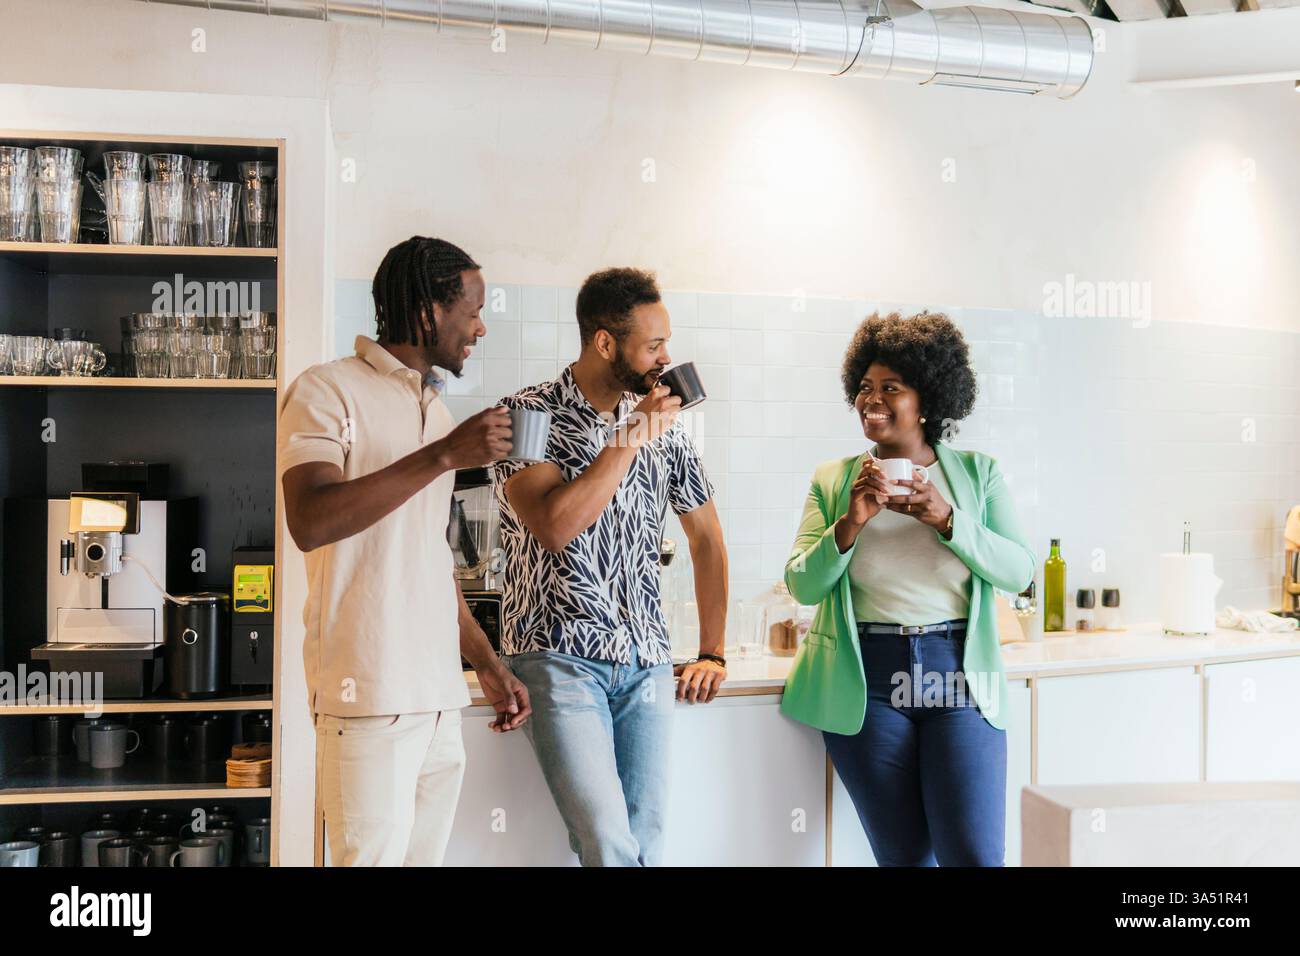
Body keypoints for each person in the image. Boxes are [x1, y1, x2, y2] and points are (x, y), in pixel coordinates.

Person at [278, 236, 531, 866]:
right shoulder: (324, 390)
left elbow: (430, 562)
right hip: (365, 696)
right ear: (427, 312)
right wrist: (444, 456)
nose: (481, 326)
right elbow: (310, 519)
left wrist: (488, 666)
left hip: (440, 701)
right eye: (471, 310)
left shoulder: (437, 413)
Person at [491, 267, 729, 866]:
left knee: (643, 840)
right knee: (606, 839)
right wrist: (632, 435)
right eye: (653, 345)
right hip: (557, 655)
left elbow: (706, 539)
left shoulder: (665, 428)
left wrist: (713, 651)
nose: (665, 357)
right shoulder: (527, 416)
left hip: (646, 657)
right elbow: (555, 525)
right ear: (604, 341)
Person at [781, 311, 1034, 867]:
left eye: (890, 388)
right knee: (906, 860)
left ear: (928, 400)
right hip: (866, 681)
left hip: (958, 674)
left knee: (974, 855)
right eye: (865, 388)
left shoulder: (977, 473)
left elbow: (1019, 571)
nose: (873, 399)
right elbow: (801, 582)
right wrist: (849, 522)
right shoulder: (833, 479)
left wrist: (948, 520)